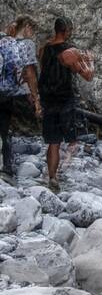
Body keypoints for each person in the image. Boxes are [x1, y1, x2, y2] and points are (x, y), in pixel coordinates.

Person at [38, 18, 94, 188]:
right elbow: (88, 75)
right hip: (65, 100)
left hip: (48, 99)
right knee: (72, 139)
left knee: (53, 142)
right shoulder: (70, 52)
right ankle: (65, 165)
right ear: (67, 30)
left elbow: (44, 71)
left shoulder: (44, 49)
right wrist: (90, 60)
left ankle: (52, 177)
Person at [0, 15, 42, 179]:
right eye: (32, 29)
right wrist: (36, 98)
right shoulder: (26, 45)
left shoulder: (3, 41)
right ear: (26, 27)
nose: (32, 34)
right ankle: (6, 167)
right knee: (4, 128)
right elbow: (30, 73)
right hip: (8, 93)